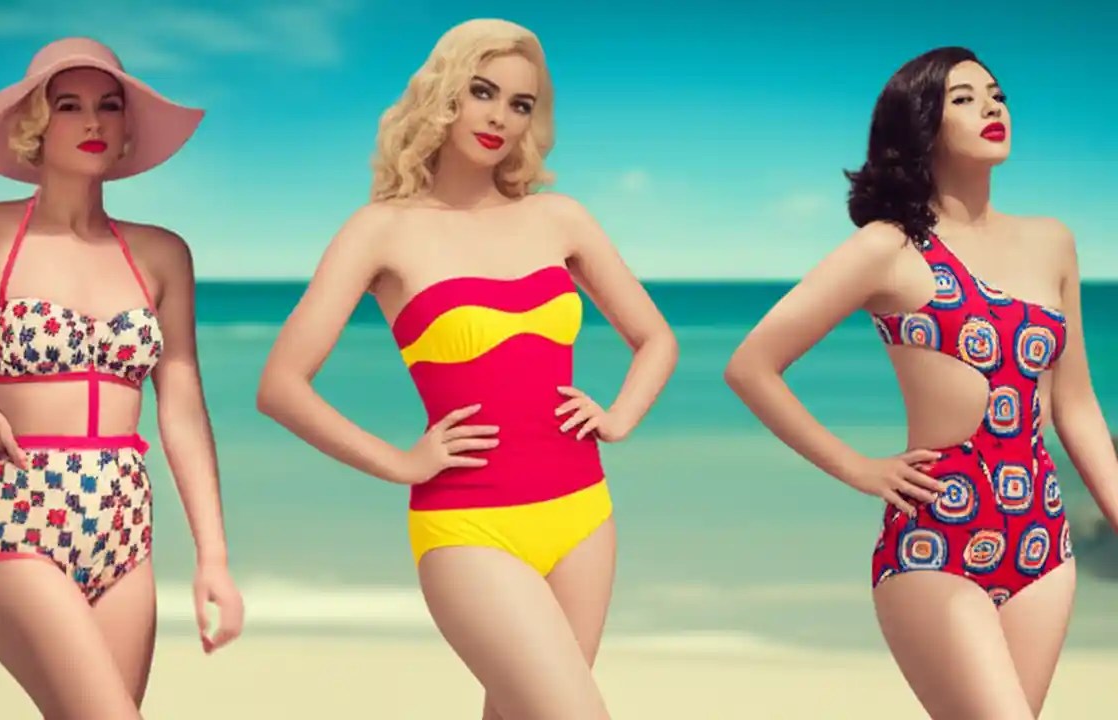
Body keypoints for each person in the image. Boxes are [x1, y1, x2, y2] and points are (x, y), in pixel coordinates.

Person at [256, 18, 677, 720]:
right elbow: (281, 385)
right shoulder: (380, 230)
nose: (500, 118)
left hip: (584, 515)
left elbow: (656, 337)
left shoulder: (559, 217)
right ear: (445, 94)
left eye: (520, 104)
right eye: (483, 92)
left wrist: (620, 415)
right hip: (468, 527)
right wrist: (400, 461)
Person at [0, 37, 244, 719]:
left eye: (109, 107)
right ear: (36, 122)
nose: (92, 123)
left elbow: (181, 411)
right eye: (69, 106)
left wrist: (216, 560)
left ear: (125, 130)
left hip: (125, 527)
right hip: (19, 519)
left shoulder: (163, 253)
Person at [724, 46, 1118, 719]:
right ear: (921, 126)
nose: (992, 106)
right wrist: (860, 468)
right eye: (962, 98)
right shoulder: (890, 248)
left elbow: (1077, 406)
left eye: (996, 93)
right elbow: (751, 366)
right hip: (937, 545)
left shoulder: (1053, 242)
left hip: (1045, 544)